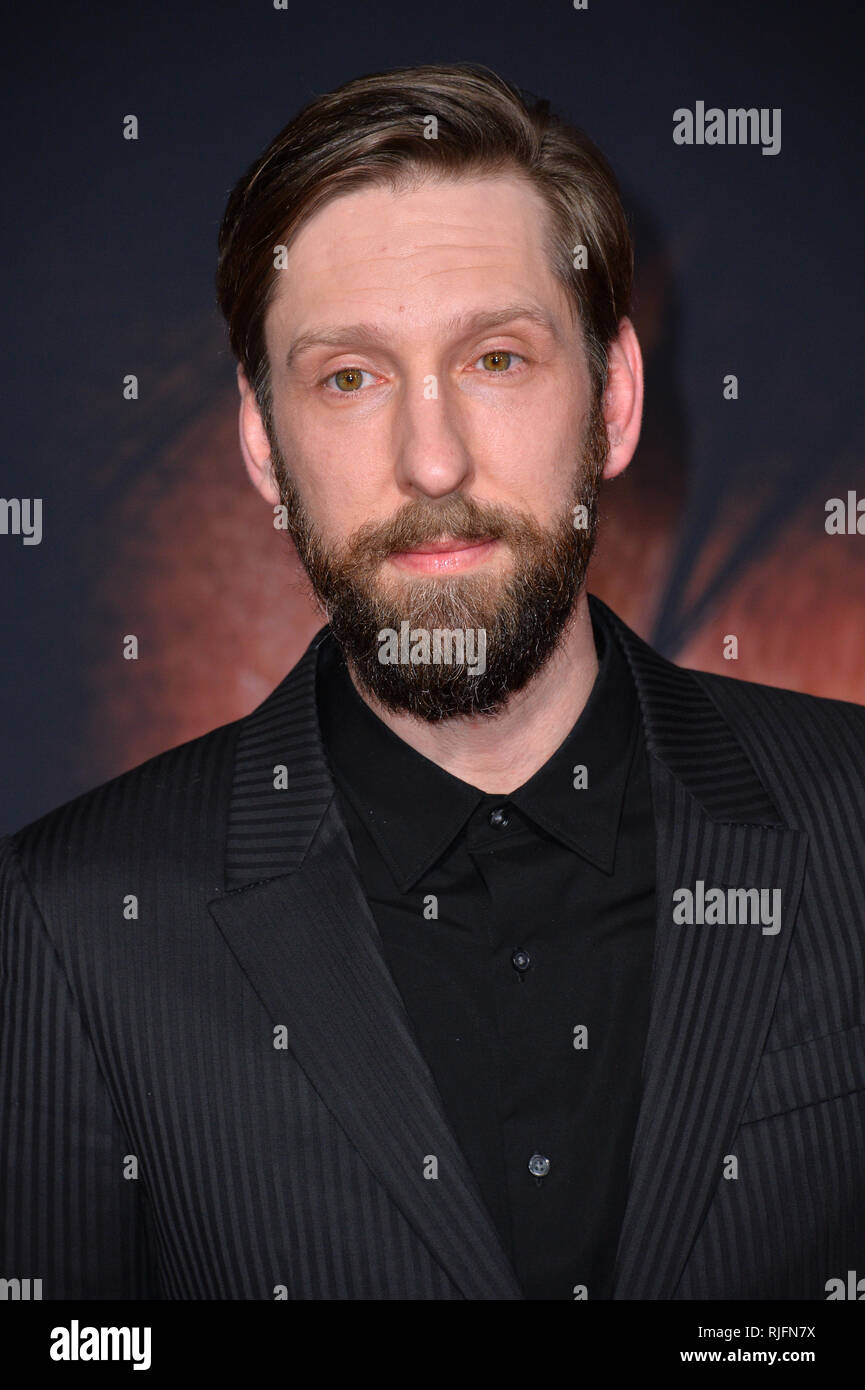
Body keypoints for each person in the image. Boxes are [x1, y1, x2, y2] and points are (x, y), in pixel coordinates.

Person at [1, 62, 863, 1301]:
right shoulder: (71, 925)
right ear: (264, 444)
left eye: (497, 359)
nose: (432, 458)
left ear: (611, 400)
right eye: (349, 377)